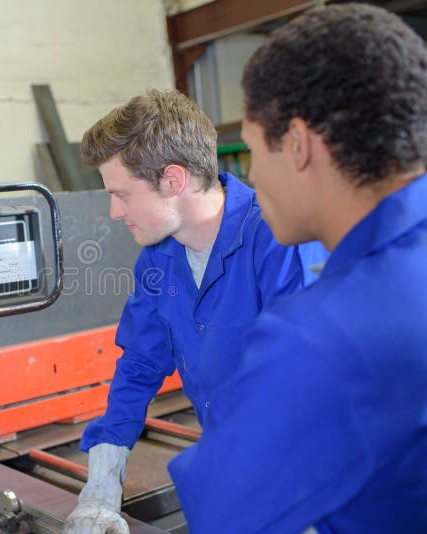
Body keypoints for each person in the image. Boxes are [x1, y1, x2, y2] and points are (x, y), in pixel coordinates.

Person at [167, 4, 427, 533]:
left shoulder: (320, 338)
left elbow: (224, 514)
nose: (251, 173)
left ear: (299, 144)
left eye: (254, 146)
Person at [63, 88, 328, 532]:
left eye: (122, 194)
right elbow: (140, 366)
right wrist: (101, 489)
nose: (113, 211)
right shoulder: (158, 257)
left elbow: (306, 384)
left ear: (173, 180)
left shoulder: (280, 239)